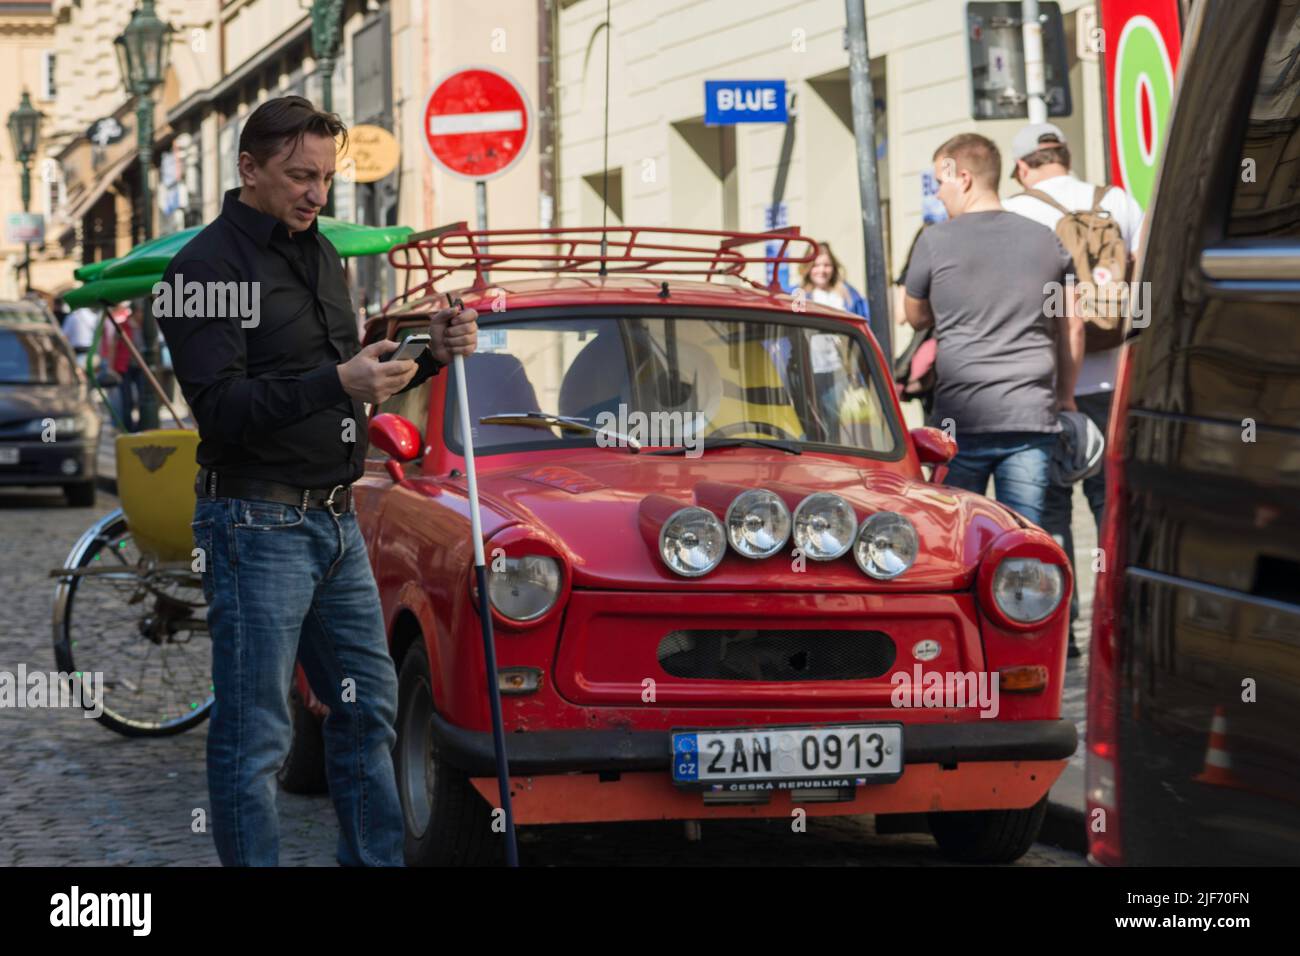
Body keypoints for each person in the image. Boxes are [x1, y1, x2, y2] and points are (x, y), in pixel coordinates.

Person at [157, 96, 478, 867]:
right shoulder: (203, 269)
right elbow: (222, 410)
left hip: (335, 522)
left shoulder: (322, 253)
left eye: (326, 178)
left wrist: (429, 353)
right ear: (248, 170)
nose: (316, 193)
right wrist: (338, 380)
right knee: (257, 734)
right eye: (300, 176)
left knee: (368, 710)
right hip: (253, 523)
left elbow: (359, 376)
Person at [1004, 122, 1144, 656]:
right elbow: (1143, 285)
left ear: (1023, 166)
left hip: (1047, 386)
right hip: (1114, 383)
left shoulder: (1019, 212)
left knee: (1050, 512)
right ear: (1065, 155)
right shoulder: (1118, 202)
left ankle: (1062, 633)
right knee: (1112, 509)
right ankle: (1122, 624)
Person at [903, 132, 1082, 528]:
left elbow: (914, 317)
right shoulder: (1045, 240)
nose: (938, 194)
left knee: (955, 538)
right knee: (1025, 536)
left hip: (959, 422)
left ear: (963, 177)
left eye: (940, 182)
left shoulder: (934, 241)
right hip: (1030, 414)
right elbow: (1072, 325)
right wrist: (1066, 396)